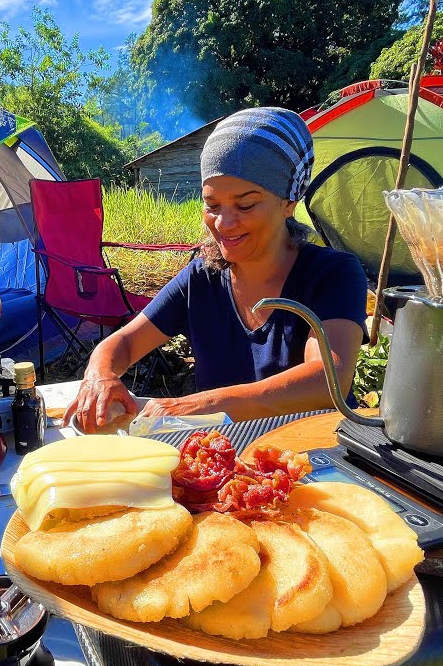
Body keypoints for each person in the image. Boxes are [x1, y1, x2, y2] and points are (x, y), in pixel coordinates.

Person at [66, 107, 368, 434]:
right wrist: (100, 375)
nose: (223, 223)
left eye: (245, 205)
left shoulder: (332, 274)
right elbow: (124, 343)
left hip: (315, 452)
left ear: (289, 202)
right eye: (212, 205)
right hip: (228, 453)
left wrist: (202, 404)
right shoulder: (201, 279)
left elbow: (327, 380)